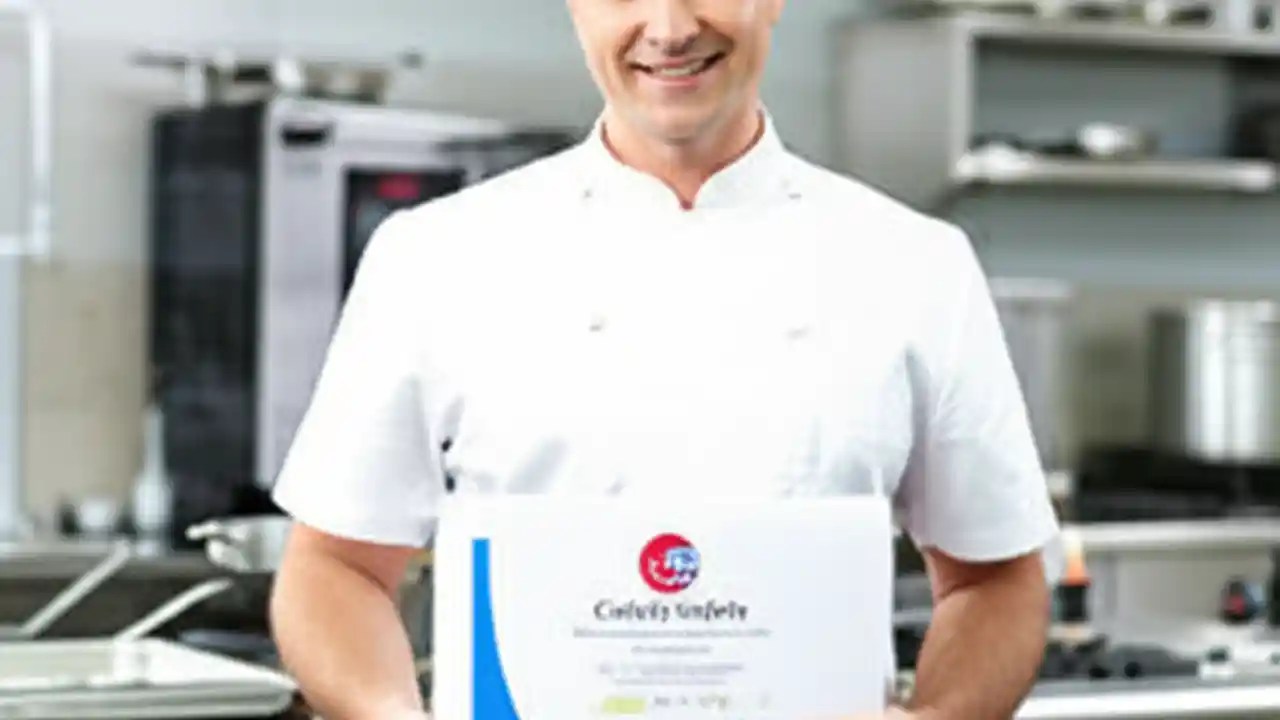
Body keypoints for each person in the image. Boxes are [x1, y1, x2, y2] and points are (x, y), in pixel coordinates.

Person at [268, 1, 1061, 718]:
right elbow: (333, 570)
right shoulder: (436, 255)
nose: (671, 26)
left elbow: (996, 580)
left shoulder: (915, 264)